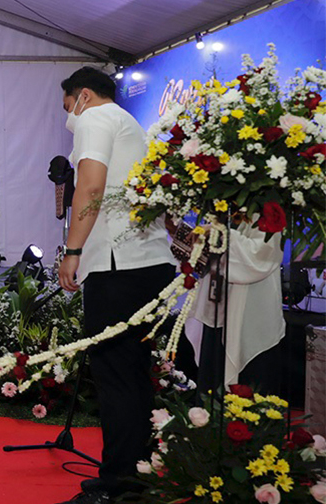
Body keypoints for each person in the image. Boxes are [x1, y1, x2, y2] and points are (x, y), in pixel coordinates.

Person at [55, 67, 176, 504]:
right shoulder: (130, 125)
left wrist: (72, 251)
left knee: (116, 379)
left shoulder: (95, 119)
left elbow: (90, 186)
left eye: (68, 106)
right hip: (148, 266)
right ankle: (135, 472)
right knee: (133, 377)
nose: (69, 116)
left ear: (83, 96)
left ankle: (118, 485)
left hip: (117, 267)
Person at [190, 221, 284, 392]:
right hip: (216, 307)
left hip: (252, 314)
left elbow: (260, 256)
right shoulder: (220, 206)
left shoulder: (267, 206)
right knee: (211, 389)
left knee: (250, 394)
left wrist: (222, 234)